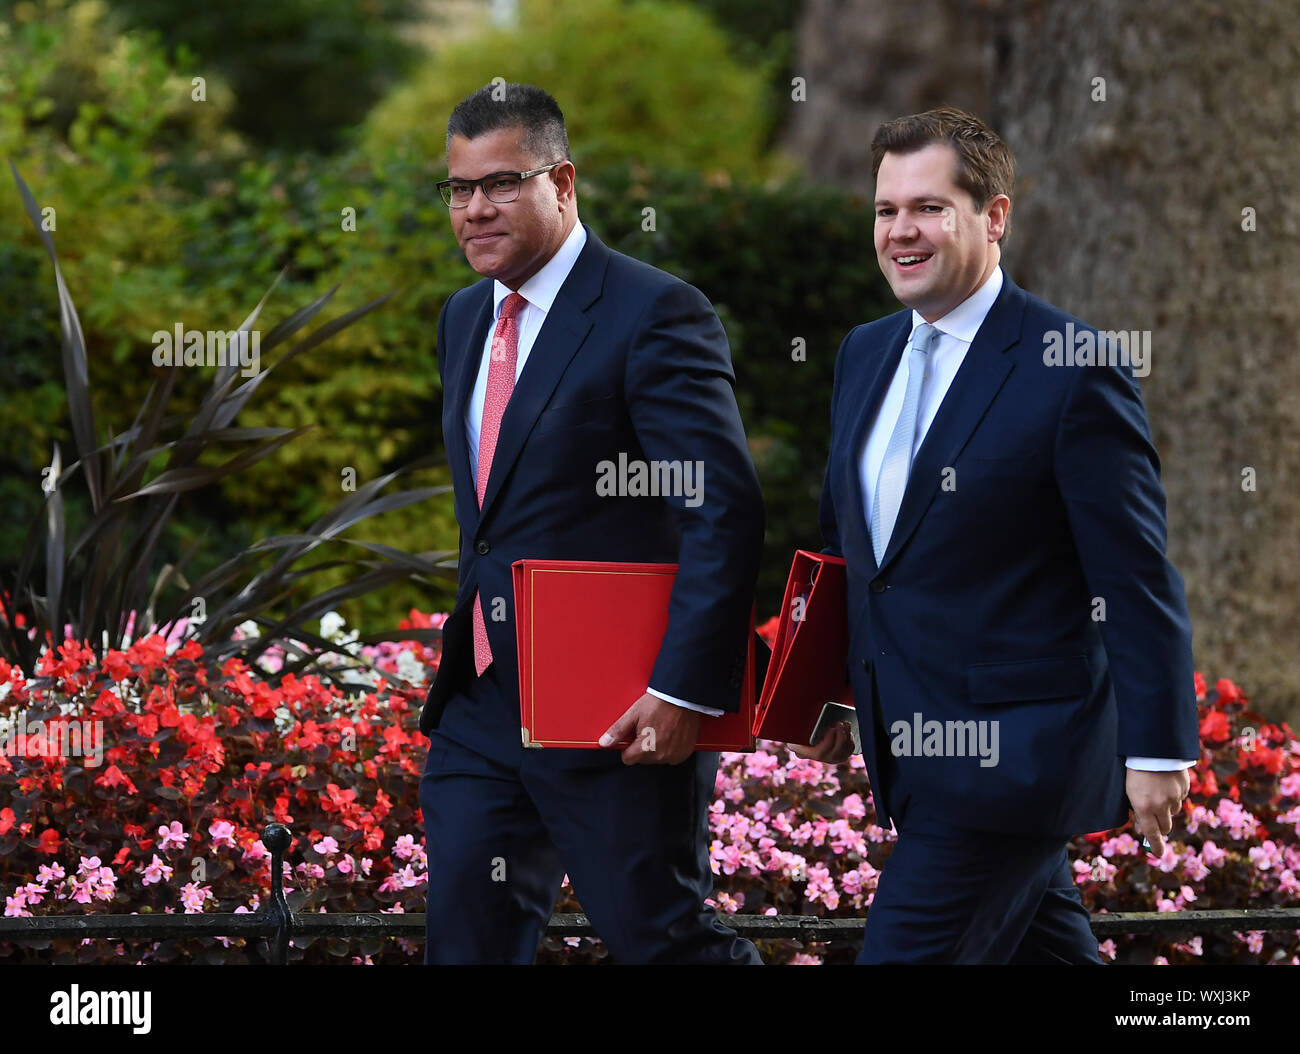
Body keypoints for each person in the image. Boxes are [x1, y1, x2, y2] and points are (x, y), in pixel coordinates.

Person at [797, 107, 1199, 964]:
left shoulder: (1072, 366)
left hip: (1014, 763)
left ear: (995, 217)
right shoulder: (863, 354)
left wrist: (1159, 747)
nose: (901, 231)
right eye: (885, 210)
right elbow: (854, 547)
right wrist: (830, 687)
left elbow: (1133, 574)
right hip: (914, 753)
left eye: (929, 208)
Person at [417, 82, 763, 965]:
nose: (474, 209)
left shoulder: (655, 312)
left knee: (667, 943)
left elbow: (721, 508)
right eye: (458, 188)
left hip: (616, 713)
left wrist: (685, 690)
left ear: (562, 182)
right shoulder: (465, 318)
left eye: (501, 183)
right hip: (482, 708)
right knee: (466, 947)